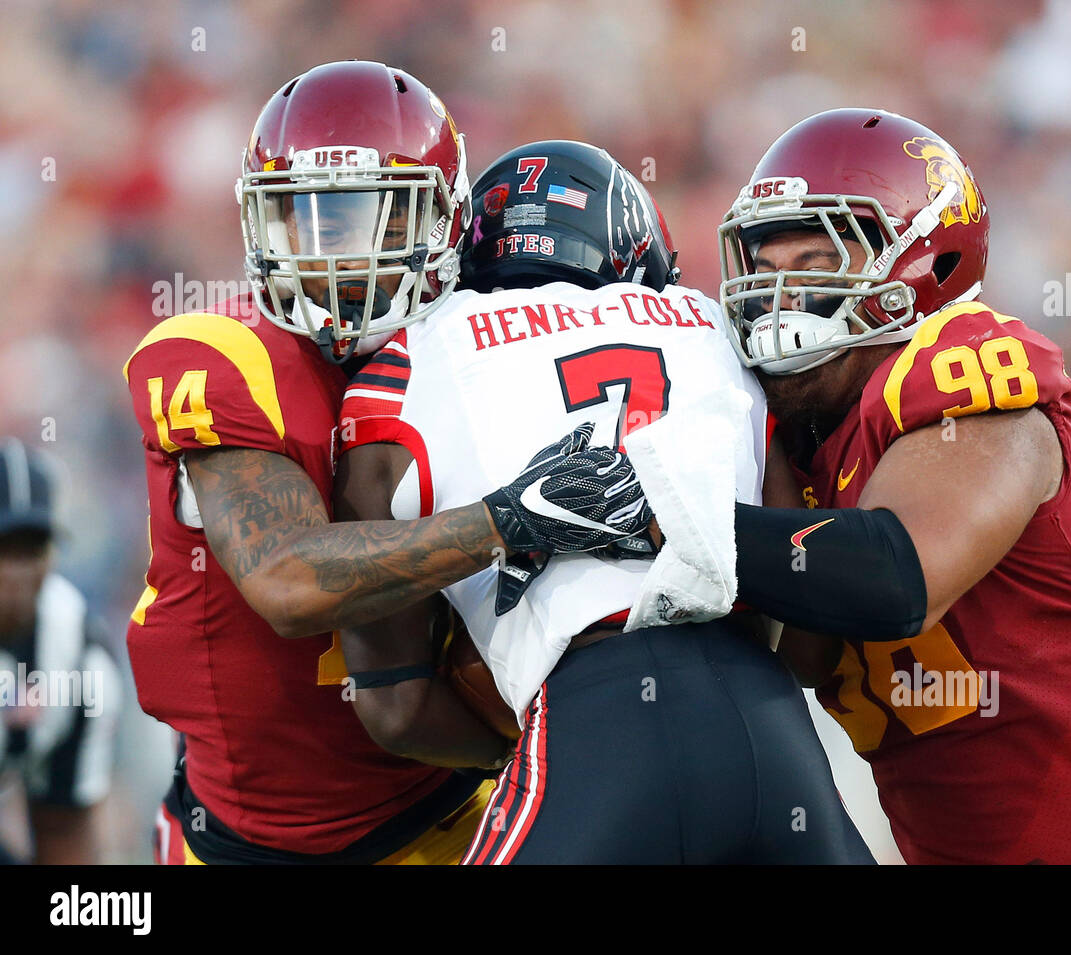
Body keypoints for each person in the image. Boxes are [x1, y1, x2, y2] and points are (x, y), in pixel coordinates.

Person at [714, 108, 1071, 865]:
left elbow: (894, 575)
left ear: (923, 265)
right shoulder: (808, 444)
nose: (781, 300)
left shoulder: (965, 369)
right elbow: (808, 655)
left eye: (817, 266)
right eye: (768, 269)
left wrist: (672, 523)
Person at [125, 62, 646, 865]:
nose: (343, 255)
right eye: (311, 222)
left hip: (459, 807)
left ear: (446, 219)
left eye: (378, 218)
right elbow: (288, 580)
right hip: (239, 838)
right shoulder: (222, 353)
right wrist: (509, 518)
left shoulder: (483, 343)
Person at [334, 140, 874, 864]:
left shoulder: (406, 362)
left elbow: (394, 706)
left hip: (593, 722)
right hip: (770, 730)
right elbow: (810, 636)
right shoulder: (713, 326)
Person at [0, 439, 121, 864]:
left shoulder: (77, 657)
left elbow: (62, 834)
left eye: (29, 549)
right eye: (1, 549)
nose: (14, 572)